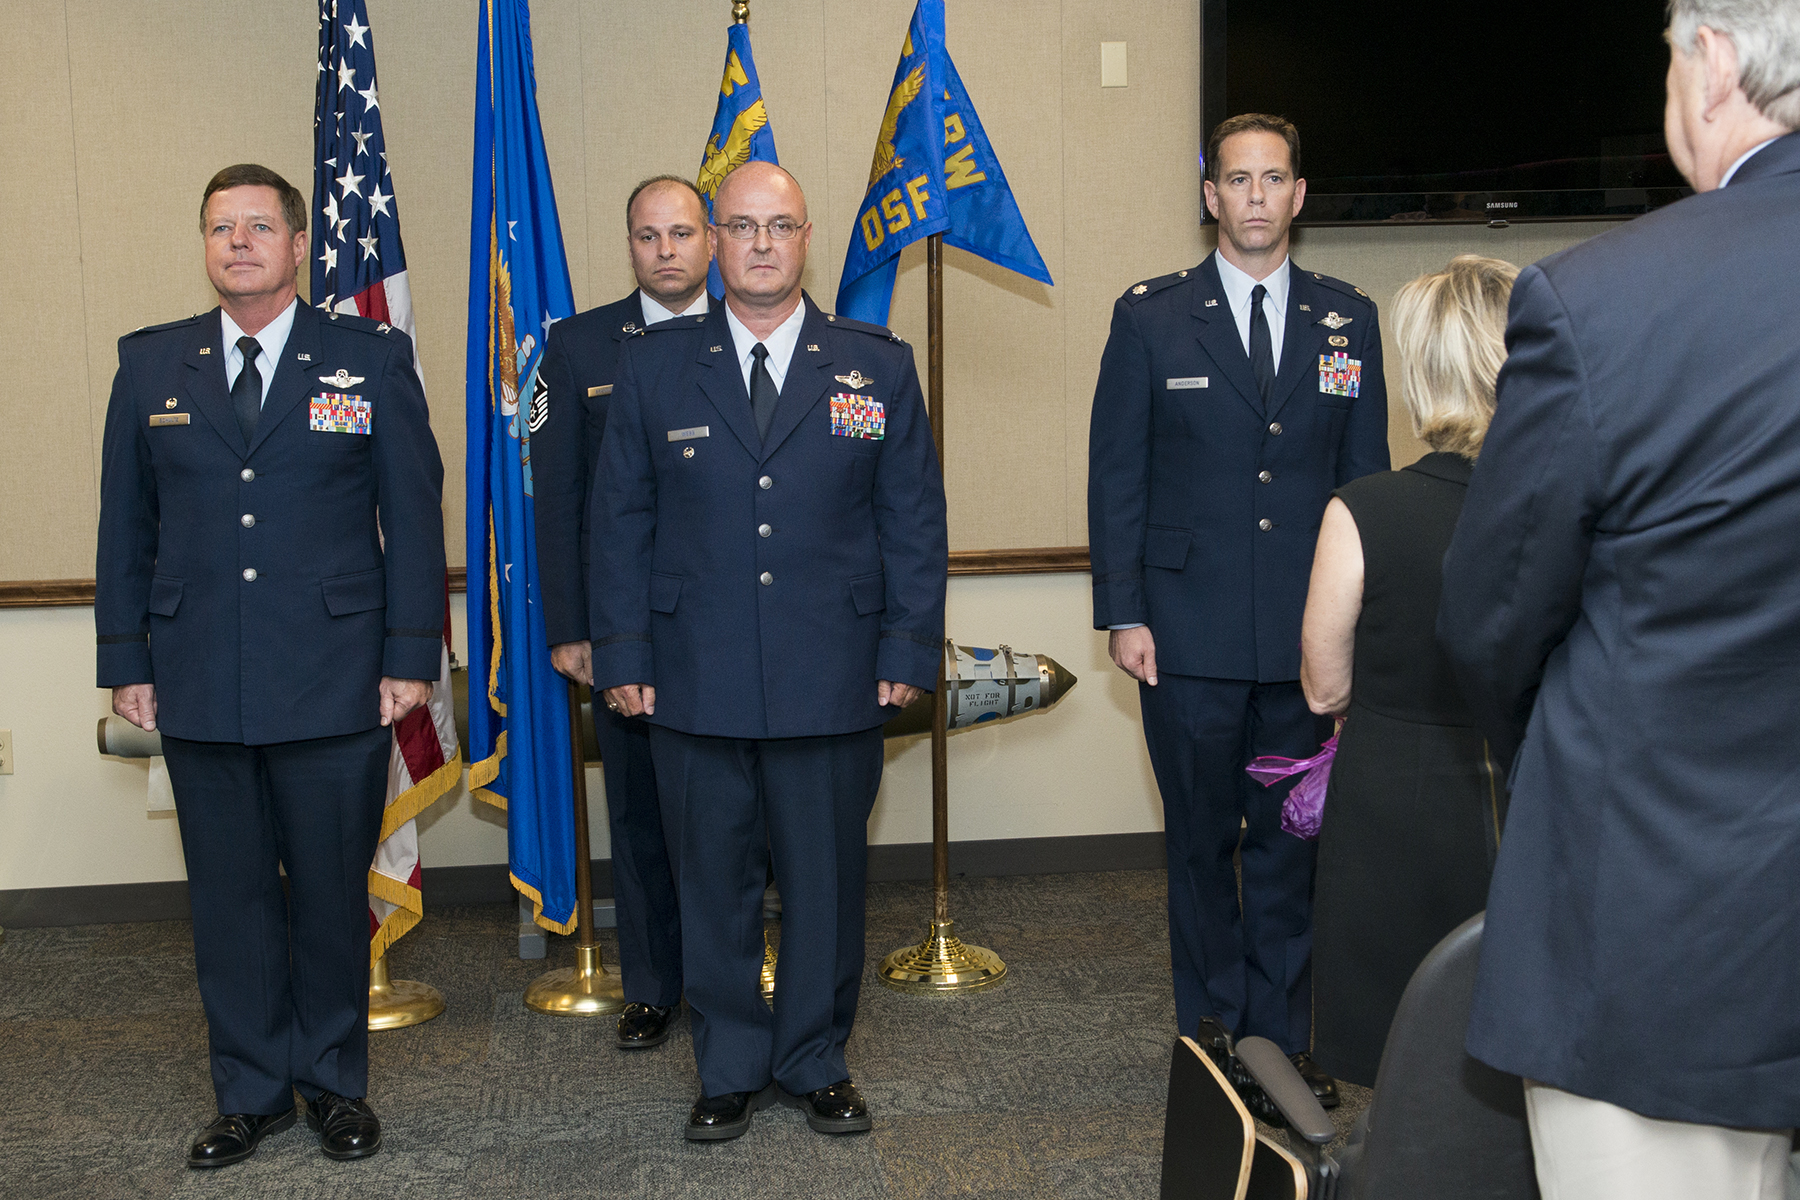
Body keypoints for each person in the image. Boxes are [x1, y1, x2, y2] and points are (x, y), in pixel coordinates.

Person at [1438, 2, 1800, 1193]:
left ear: (1710, 65)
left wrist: (1573, 767)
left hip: (1658, 929)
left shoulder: (1605, 303)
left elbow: (1491, 623)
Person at [94, 164, 445, 1167]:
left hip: (335, 673)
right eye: (220, 227)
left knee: (332, 893)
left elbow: (414, 519)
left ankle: (334, 1084)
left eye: (259, 227)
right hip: (199, 671)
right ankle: (249, 1094)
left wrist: (409, 656)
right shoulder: (154, 366)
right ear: (204, 246)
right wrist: (126, 655)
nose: (238, 242)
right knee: (230, 897)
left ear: (297, 246)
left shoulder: (367, 359)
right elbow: (128, 523)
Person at [588, 161, 947, 1141]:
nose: (758, 244)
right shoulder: (654, 368)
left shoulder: (875, 365)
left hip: (832, 671)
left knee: (825, 880)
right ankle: (731, 1064)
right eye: (739, 227)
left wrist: (908, 648)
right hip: (689, 676)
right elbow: (617, 520)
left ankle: (814, 1057)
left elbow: (912, 519)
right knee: (711, 880)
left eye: (777, 226)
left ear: (805, 236)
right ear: (714, 238)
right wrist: (621, 653)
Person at [1086, 113, 1390, 1109]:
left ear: (1299, 195)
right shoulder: (1152, 319)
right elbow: (1116, 477)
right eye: (1236, 180)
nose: (1256, 196)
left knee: (1292, 845)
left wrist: (1357, 632)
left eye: (1274, 179)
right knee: (1199, 844)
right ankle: (1214, 1043)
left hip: (1306, 641)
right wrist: (1124, 613)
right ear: (1209, 195)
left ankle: (1282, 1040)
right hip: (1184, 637)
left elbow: (1364, 482)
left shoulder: (1347, 320)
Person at [1298, 254, 1517, 1088]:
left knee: (1398, 1045)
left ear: (1423, 371)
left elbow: (1323, 687)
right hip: (1525, 798)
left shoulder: (1365, 509)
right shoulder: (1576, 499)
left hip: (1395, 793)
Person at [532, 174, 714, 1050]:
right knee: (641, 815)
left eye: (682, 233)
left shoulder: (760, 327)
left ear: (711, 240)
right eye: (649, 236)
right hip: (632, 629)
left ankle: (737, 969)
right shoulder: (577, 347)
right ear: (630, 245)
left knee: (737, 812)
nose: (666, 250)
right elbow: (557, 500)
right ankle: (653, 984)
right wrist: (573, 627)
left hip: (734, 626)